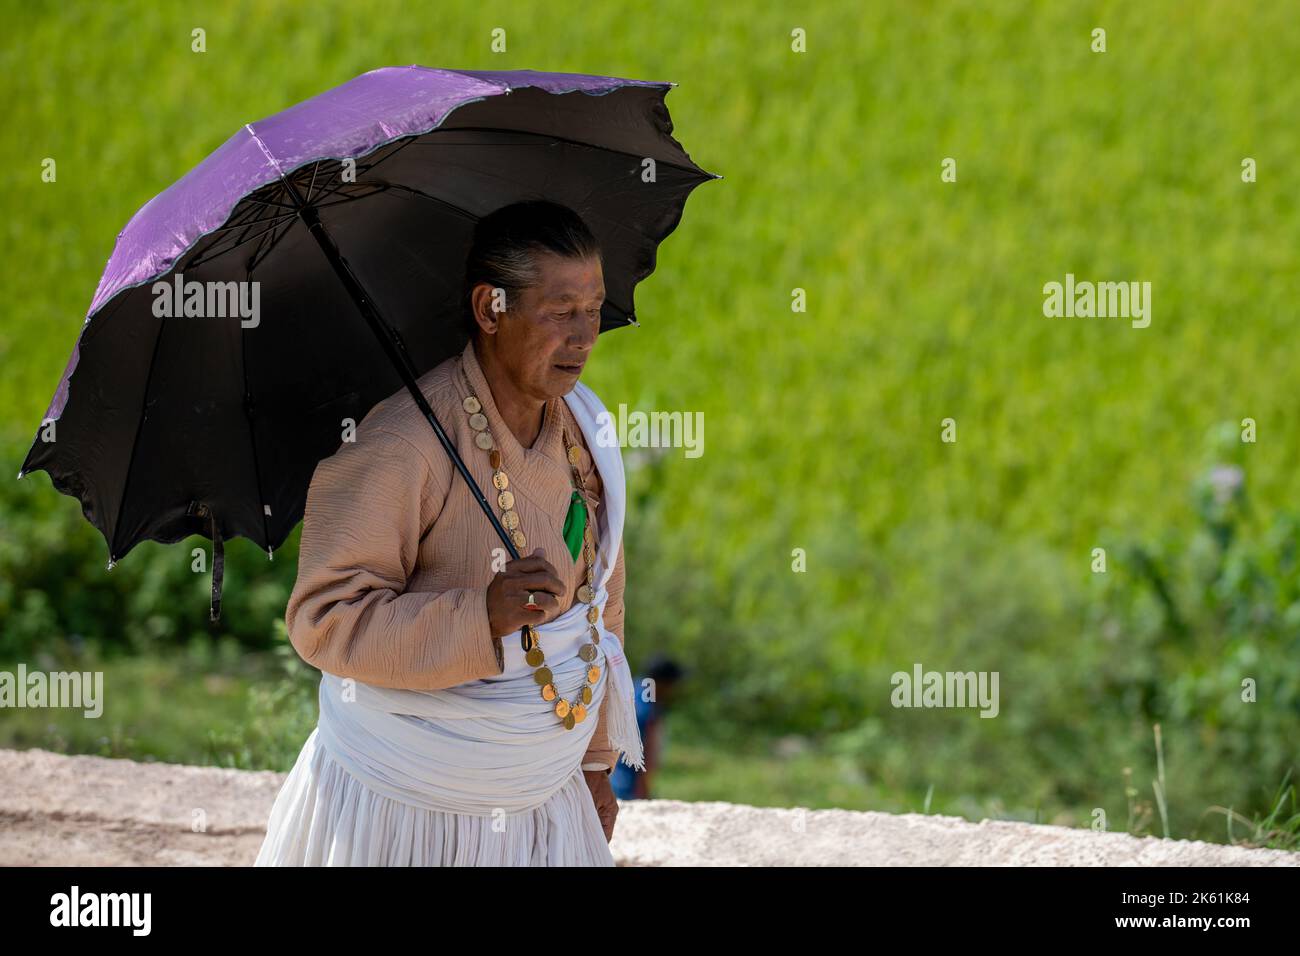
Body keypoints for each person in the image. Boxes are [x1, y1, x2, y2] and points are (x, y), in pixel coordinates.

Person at [255, 200, 643, 866]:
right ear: (491, 310)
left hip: (541, 798)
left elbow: (602, 600)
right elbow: (322, 619)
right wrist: (479, 617)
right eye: (558, 313)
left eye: (594, 308)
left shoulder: (583, 431)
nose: (584, 337)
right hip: (404, 813)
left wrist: (595, 761)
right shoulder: (402, 443)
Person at [611, 656, 684, 800]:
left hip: (610, 781)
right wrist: (645, 796)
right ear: (663, 683)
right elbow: (647, 760)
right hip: (629, 789)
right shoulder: (650, 710)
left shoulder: (631, 689)